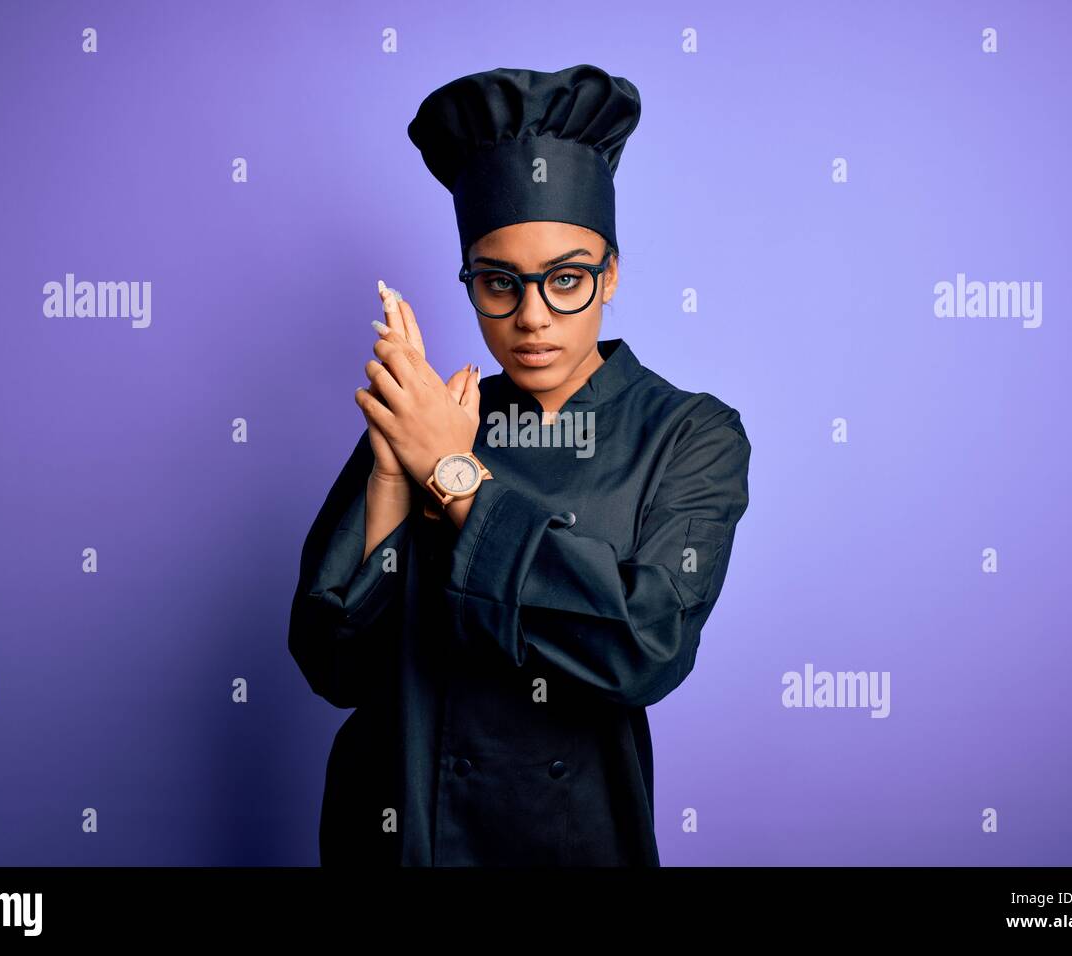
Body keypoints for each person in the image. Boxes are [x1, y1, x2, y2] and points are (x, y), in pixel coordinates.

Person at [288, 64, 751, 866]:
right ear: (469, 281)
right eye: (500, 283)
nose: (532, 317)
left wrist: (453, 476)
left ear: (610, 274)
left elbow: (647, 645)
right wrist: (399, 474)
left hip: (571, 836)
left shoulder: (690, 433)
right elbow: (334, 664)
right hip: (396, 832)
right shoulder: (428, 415)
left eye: (566, 280)